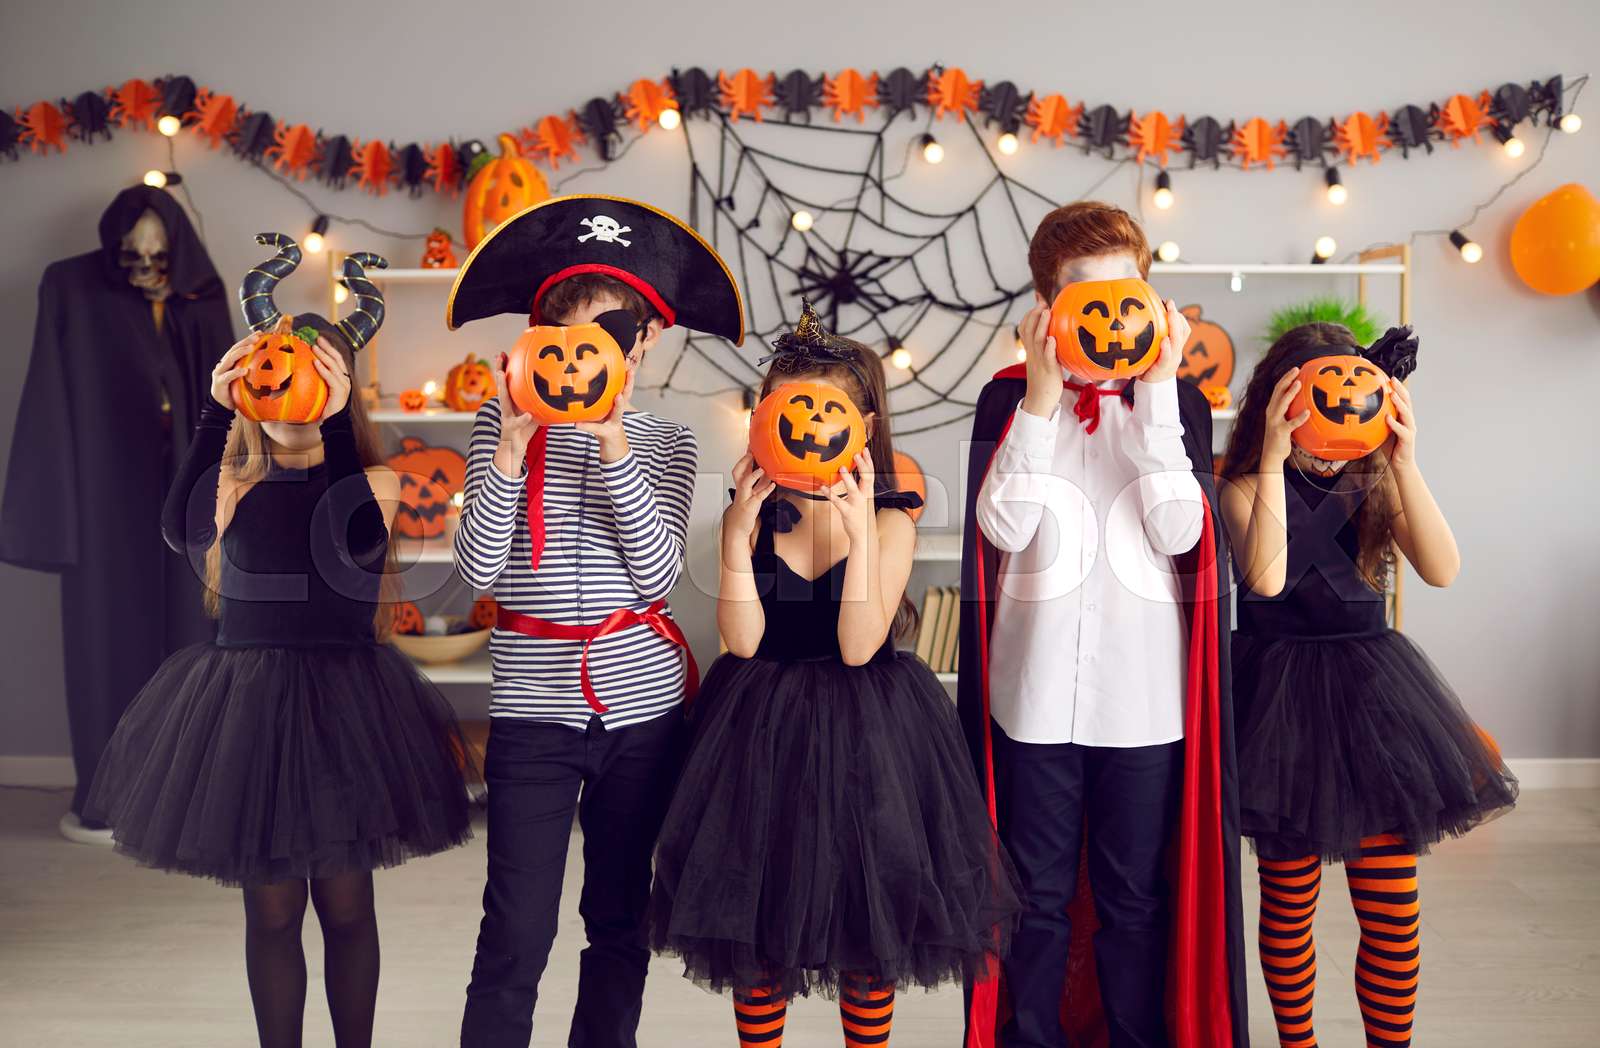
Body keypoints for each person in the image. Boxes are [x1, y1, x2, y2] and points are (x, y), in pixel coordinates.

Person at [84, 234, 473, 1048]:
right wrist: (213, 412)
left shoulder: (372, 477)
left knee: (345, 905)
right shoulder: (231, 475)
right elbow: (177, 532)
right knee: (271, 912)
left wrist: (330, 426)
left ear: (339, 390)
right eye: (271, 361)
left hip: (347, 708)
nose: (279, 373)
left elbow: (353, 546)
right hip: (246, 709)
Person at [647, 302, 1018, 1048]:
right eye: (792, 410)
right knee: (757, 924)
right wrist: (732, 539)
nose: (811, 428)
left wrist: (857, 532)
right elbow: (742, 641)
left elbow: (858, 644)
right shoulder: (749, 514)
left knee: (867, 924)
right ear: (765, 419)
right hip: (758, 729)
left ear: (864, 424)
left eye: (831, 412)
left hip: (869, 733)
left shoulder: (889, 518)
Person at [447, 195, 744, 1048]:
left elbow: (654, 573)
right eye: (562, 337)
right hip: (534, 714)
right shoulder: (498, 427)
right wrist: (509, 450)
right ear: (535, 343)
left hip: (641, 712)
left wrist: (613, 444)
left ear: (644, 342)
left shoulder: (668, 439)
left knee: (618, 919)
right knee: (515, 927)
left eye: (607, 339)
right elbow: (477, 571)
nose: (583, 359)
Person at [957, 201, 1249, 1047]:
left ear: (1152, 301)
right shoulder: (1006, 402)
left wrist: (1158, 400)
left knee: (1134, 901)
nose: (1112, 314)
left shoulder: (1178, 405)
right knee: (1036, 899)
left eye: (1128, 292)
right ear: (1048, 309)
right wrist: (1041, 405)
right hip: (1034, 697)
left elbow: (1180, 533)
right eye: (1086, 294)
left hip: (1144, 703)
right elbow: (1003, 530)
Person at [1219, 321, 1517, 1048]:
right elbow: (1266, 577)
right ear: (1281, 398)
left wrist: (1405, 459)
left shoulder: (1377, 477)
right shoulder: (1240, 485)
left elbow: (1443, 569)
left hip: (1372, 694)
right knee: (1288, 902)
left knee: (1392, 907)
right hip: (1278, 700)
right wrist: (1275, 454)